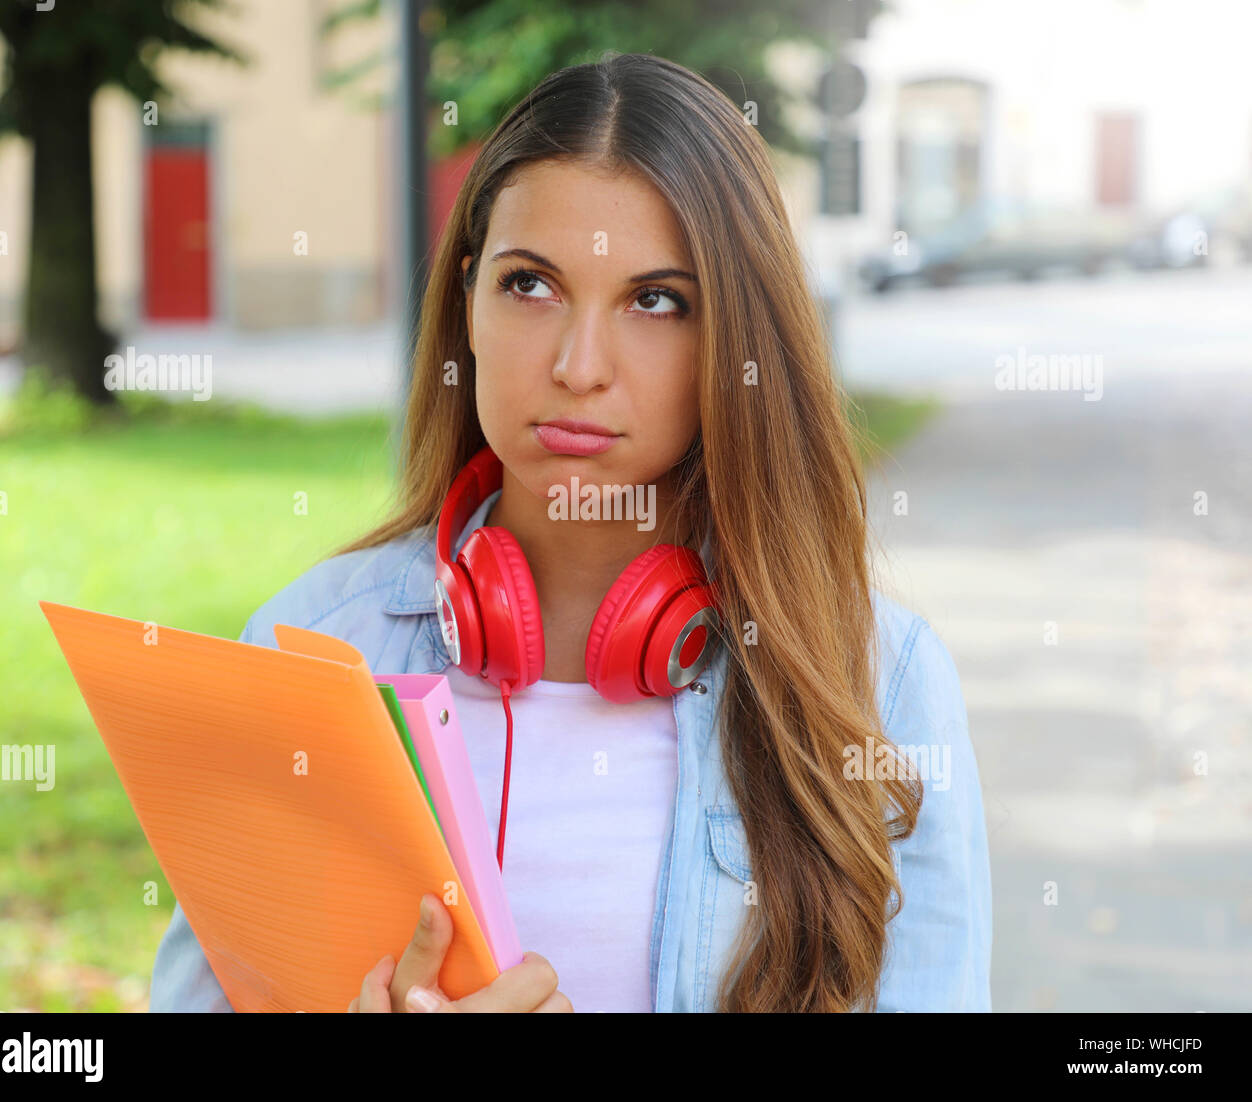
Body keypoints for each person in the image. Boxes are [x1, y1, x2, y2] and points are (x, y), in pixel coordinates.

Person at [149, 52, 991, 1014]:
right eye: (531, 286)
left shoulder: (878, 684)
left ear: (736, 343)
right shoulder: (308, 652)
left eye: (656, 301)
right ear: (467, 300)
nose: (579, 365)